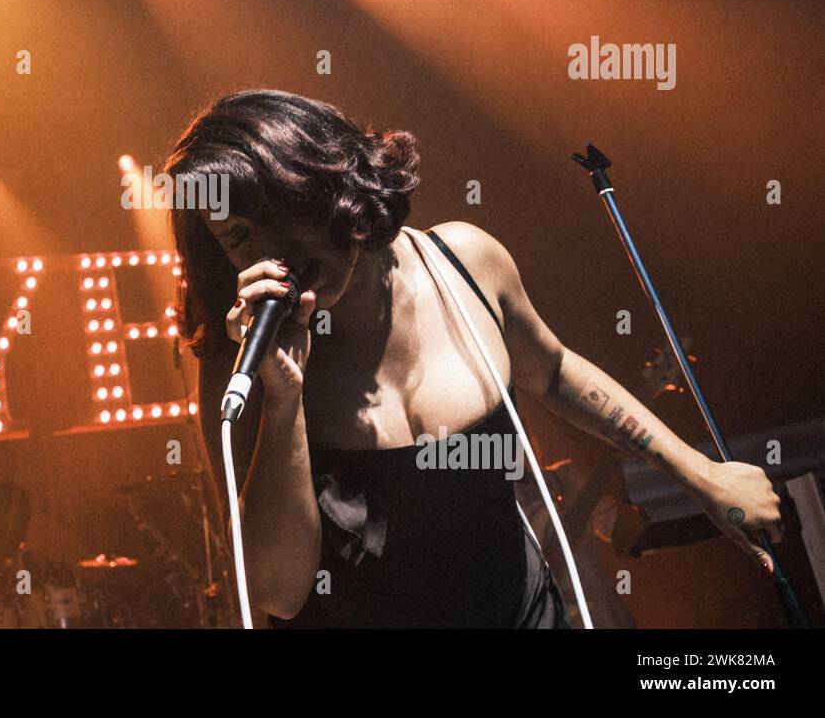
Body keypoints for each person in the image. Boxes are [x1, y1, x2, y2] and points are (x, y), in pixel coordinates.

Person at [164, 89, 784, 627]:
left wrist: (699, 474)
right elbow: (277, 590)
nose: (273, 255)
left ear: (332, 184)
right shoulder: (241, 362)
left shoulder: (465, 263)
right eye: (240, 237)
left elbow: (556, 370)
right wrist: (284, 399)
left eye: (279, 214)